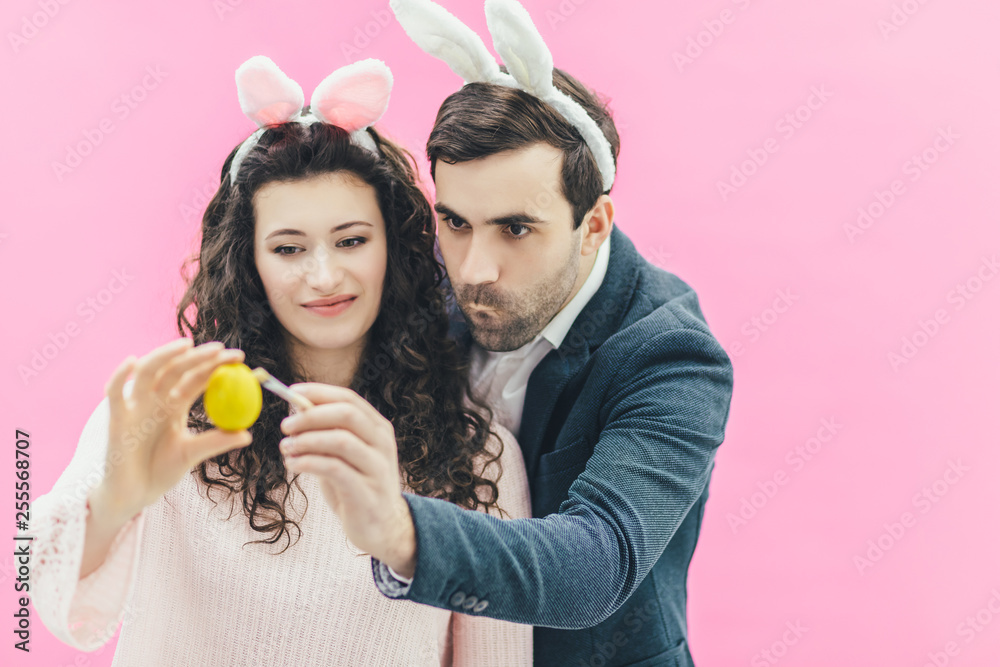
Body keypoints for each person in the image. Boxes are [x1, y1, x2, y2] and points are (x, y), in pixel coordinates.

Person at [29, 55, 532, 666]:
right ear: (250, 264)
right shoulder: (168, 414)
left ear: (394, 249)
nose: (324, 276)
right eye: (288, 248)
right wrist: (114, 502)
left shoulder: (477, 455)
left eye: (352, 240)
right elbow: (48, 597)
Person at [276, 2, 736, 665]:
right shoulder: (430, 279)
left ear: (595, 223)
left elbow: (596, 563)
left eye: (516, 228)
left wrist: (399, 528)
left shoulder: (672, 356)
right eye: (457, 222)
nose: (473, 269)